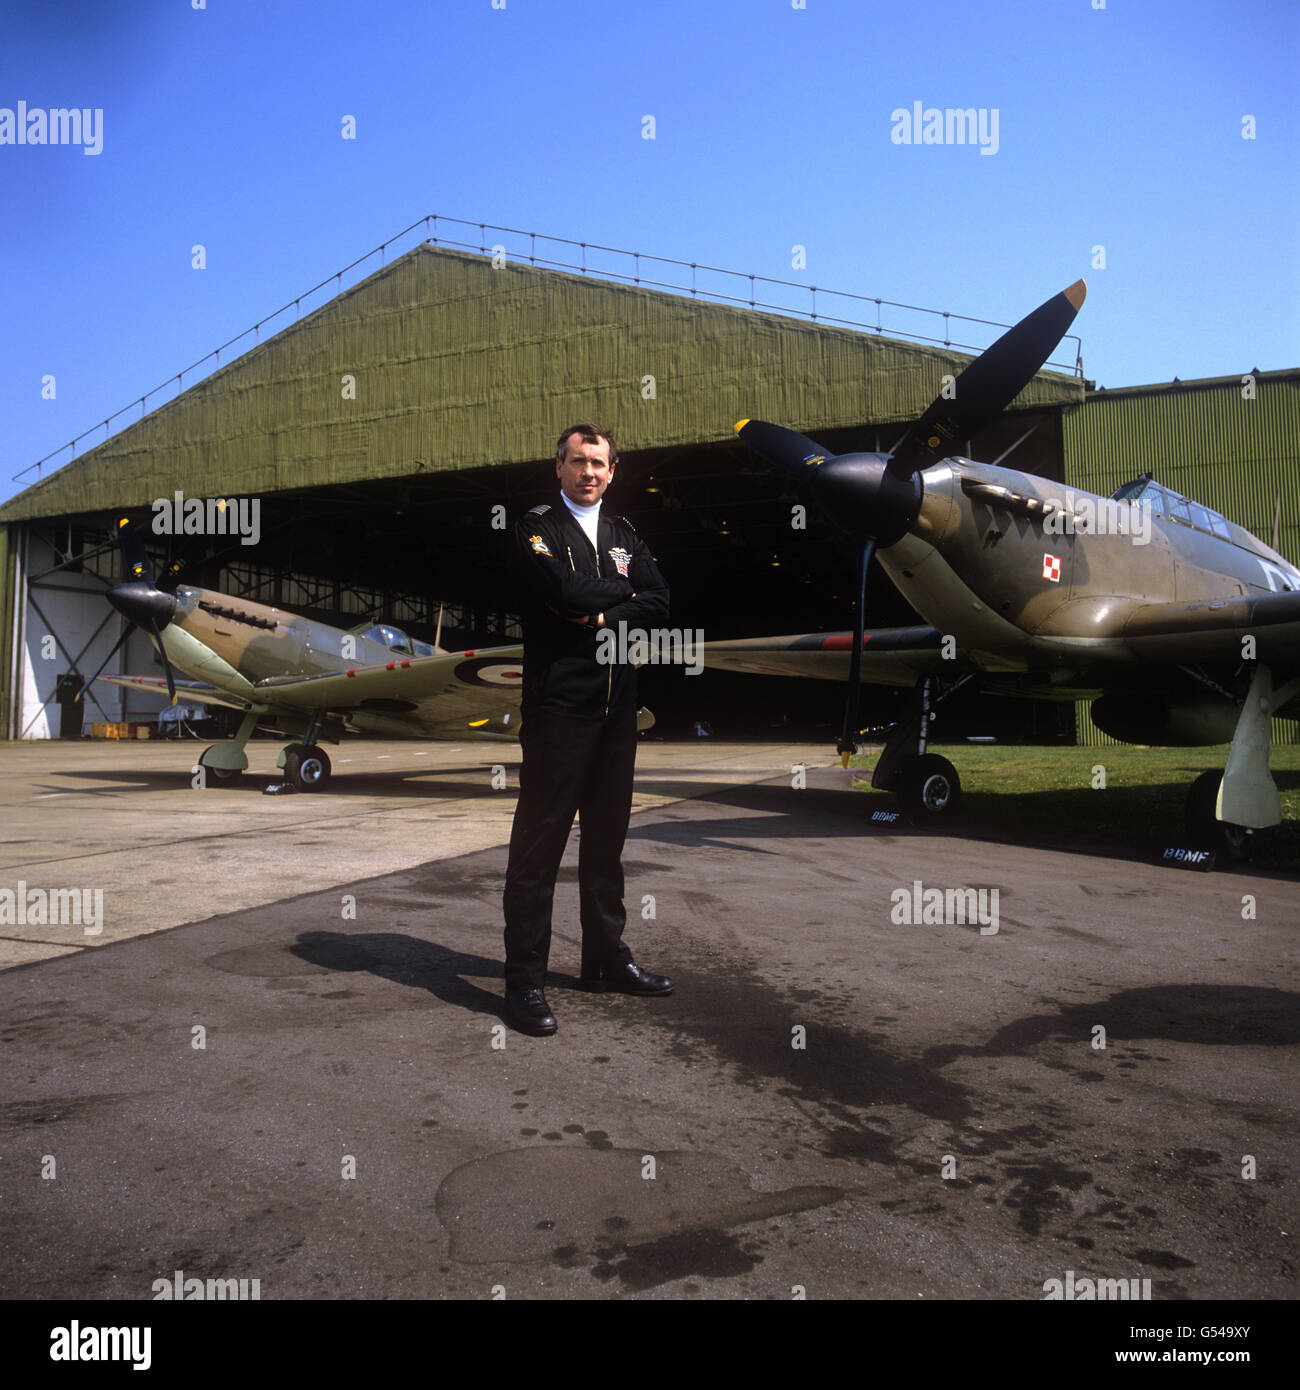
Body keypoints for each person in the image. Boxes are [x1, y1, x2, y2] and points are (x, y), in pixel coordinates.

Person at [501, 422, 674, 1035]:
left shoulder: (625, 533)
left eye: (599, 464)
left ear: (612, 470)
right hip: (559, 710)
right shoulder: (536, 528)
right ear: (560, 467)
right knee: (538, 849)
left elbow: (660, 601)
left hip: (616, 712)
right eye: (578, 462)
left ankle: (604, 960)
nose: (589, 473)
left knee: (606, 845)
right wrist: (613, 598)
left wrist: (603, 608)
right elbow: (562, 589)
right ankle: (524, 980)